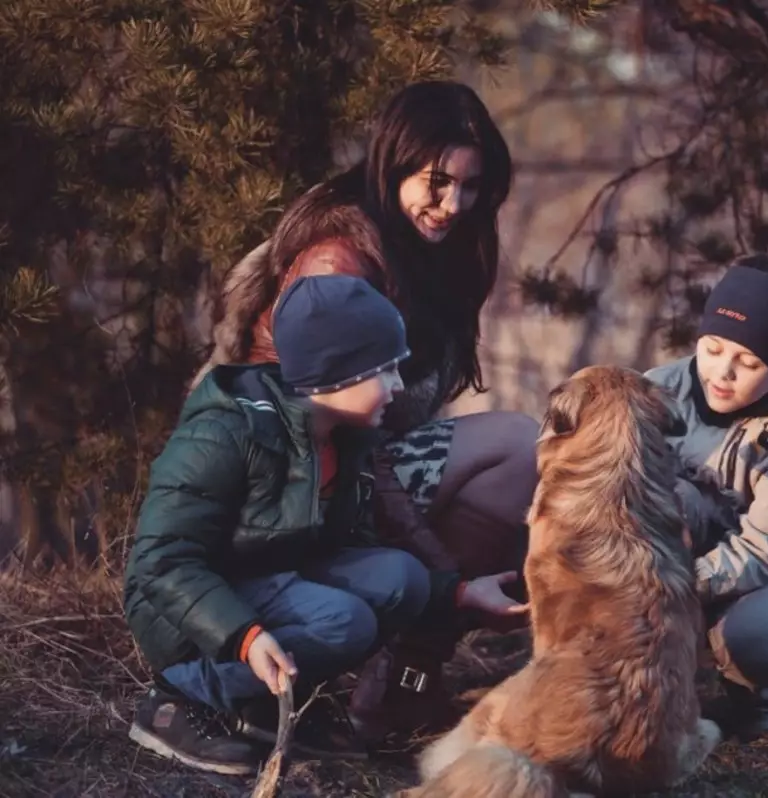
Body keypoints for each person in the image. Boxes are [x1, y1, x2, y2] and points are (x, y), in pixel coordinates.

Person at [190, 80, 538, 737]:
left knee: (525, 457)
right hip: (286, 489)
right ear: (393, 163)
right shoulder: (337, 261)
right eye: (436, 181)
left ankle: (403, 683)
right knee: (519, 447)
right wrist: (446, 585)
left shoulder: (427, 249)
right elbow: (332, 445)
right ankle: (394, 668)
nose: (452, 204)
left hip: (351, 469)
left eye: (469, 187)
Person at [124, 275, 527, 776]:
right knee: (344, 620)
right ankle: (177, 700)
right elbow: (160, 562)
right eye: (385, 371)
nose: (399, 385)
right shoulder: (225, 434)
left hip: (268, 584)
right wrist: (244, 637)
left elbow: (357, 549)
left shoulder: (341, 438)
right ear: (333, 376)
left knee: (403, 579)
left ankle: (266, 708)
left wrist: (460, 593)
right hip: (185, 617)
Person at [644, 254, 768, 742]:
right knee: (676, 497)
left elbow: (762, 549)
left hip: (765, 574)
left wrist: (670, 587)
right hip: (665, 555)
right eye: (711, 348)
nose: (722, 372)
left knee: (758, 637)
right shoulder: (656, 389)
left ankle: (756, 702)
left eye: (748, 362)